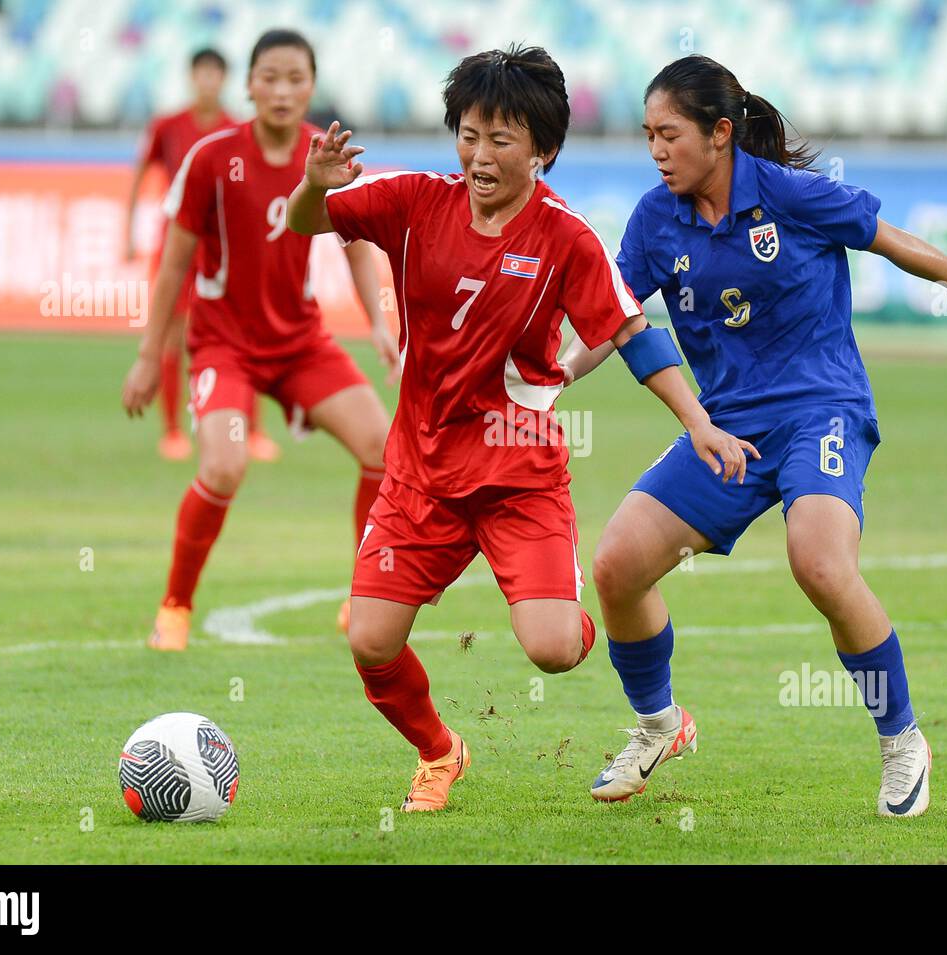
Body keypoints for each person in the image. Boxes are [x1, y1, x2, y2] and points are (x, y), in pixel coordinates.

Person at [559, 55, 947, 817]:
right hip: (725, 429)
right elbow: (611, 320)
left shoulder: (789, 193)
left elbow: (887, 238)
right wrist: (547, 379)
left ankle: (902, 739)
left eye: (670, 133)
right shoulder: (656, 220)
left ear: (720, 134)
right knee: (617, 565)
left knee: (819, 562)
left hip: (822, 407)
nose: (656, 150)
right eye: (647, 134)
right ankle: (659, 724)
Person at [286, 45, 756, 812]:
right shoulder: (410, 199)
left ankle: (598, 644)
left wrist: (698, 420)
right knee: (370, 639)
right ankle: (440, 751)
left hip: (517, 477)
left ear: (543, 150)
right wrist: (314, 183)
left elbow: (632, 332)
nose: (478, 153)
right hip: (421, 472)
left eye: (500, 139)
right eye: (469, 133)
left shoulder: (565, 238)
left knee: (552, 649)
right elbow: (309, 221)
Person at [122, 29, 397, 651]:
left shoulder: (323, 155)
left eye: (295, 78)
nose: (281, 90)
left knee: (382, 445)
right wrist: (148, 354)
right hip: (225, 347)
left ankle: (361, 594)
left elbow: (353, 242)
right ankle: (175, 607)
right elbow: (173, 265)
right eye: (269, 77)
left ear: (311, 86)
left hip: (300, 343)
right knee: (224, 463)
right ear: (248, 85)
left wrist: (378, 324)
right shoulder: (214, 158)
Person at [124, 47, 278, 462]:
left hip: (225, 248)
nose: (208, 81)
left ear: (224, 80)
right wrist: (128, 231)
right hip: (177, 243)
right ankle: (173, 432)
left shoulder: (237, 130)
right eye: (201, 73)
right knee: (171, 331)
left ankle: (251, 431)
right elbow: (141, 171)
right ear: (192, 78)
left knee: (244, 333)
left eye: (215, 74)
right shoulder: (168, 126)